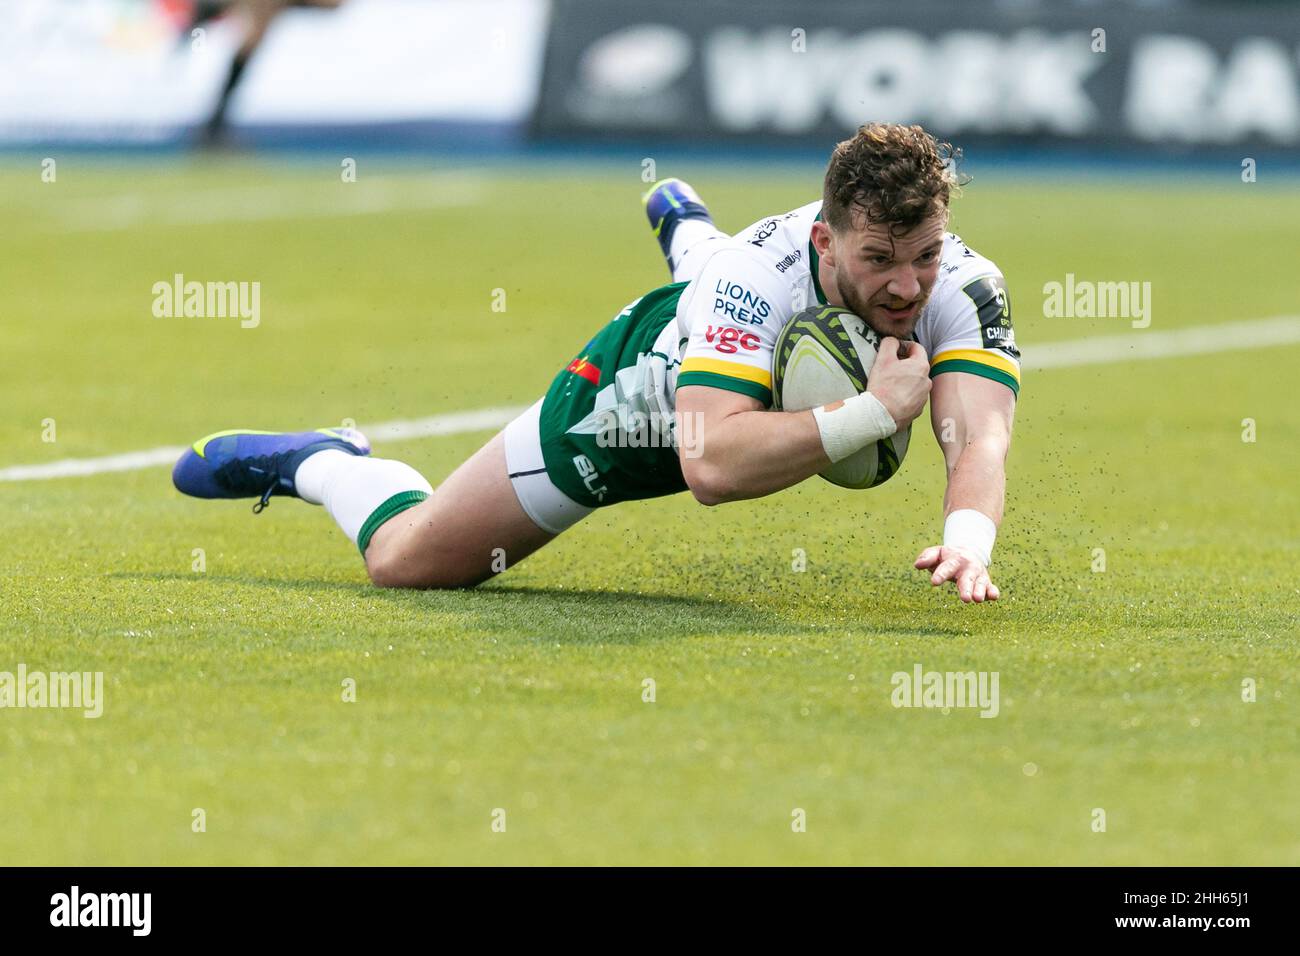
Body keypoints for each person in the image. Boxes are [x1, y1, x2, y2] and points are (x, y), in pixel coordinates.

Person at [172, 123, 1019, 603]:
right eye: (880, 260)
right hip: (636, 405)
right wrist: (874, 412)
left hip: (734, 321)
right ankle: (321, 460)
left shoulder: (966, 283)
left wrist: (966, 540)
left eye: (927, 255)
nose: (909, 286)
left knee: (732, 293)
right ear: (826, 238)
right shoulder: (751, 281)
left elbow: (979, 436)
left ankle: (685, 227)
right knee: (407, 563)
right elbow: (712, 464)